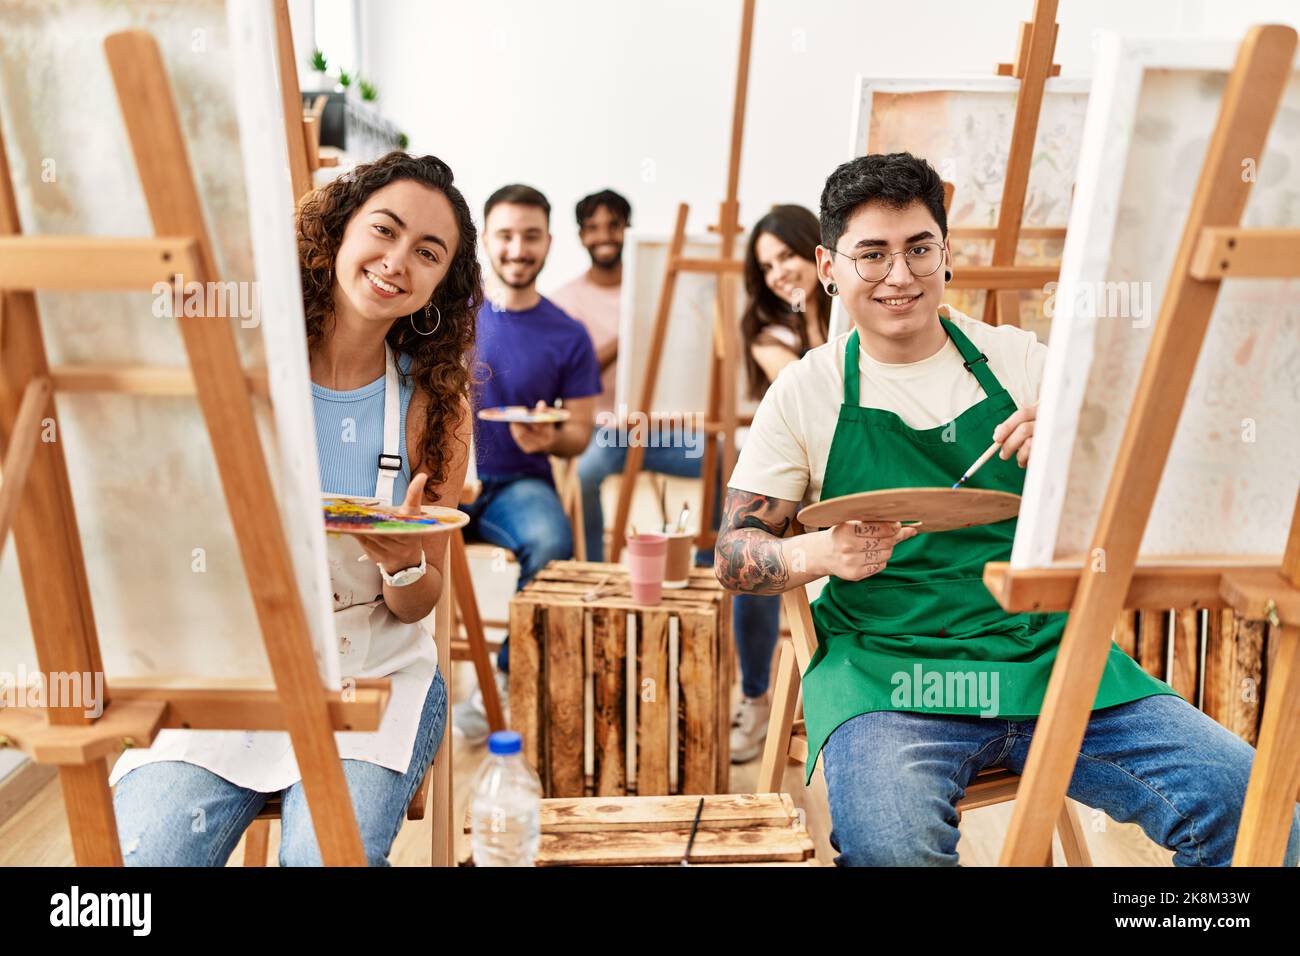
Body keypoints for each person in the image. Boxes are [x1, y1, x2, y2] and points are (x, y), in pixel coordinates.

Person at [716, 151, 1300, 866]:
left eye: (918, 249)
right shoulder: (806, 392)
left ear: (946, 254)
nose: (899, 276)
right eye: (871, 255)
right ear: (829, 266)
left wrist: (1071, 452)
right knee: (895, 852)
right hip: (891, 679)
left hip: (1047, 658)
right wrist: (819, 553)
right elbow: (733, 555)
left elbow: (1139, 496)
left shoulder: (1022, 362)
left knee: (1257, 809)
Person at [110, 152, 481, 865]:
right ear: (338, 233)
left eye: (427, 253)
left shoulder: (437, 407)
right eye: (385, 230)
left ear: (440, 283)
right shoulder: (244, 363)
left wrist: (405, 565)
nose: (397, 260)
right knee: (146, 861)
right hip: (231, 670)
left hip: (374, 675)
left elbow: (418, 605)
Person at [455, 184, 601, 744]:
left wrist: (549, 439)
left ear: (548, 243)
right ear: (486, 240)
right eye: (506, 235)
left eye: (531, 236)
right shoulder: (449, 317)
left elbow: (579, 434)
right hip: (443, 482)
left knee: (552, 544)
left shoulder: (569, 334)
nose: (518, 248)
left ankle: (500, 677)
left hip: (518, 483)